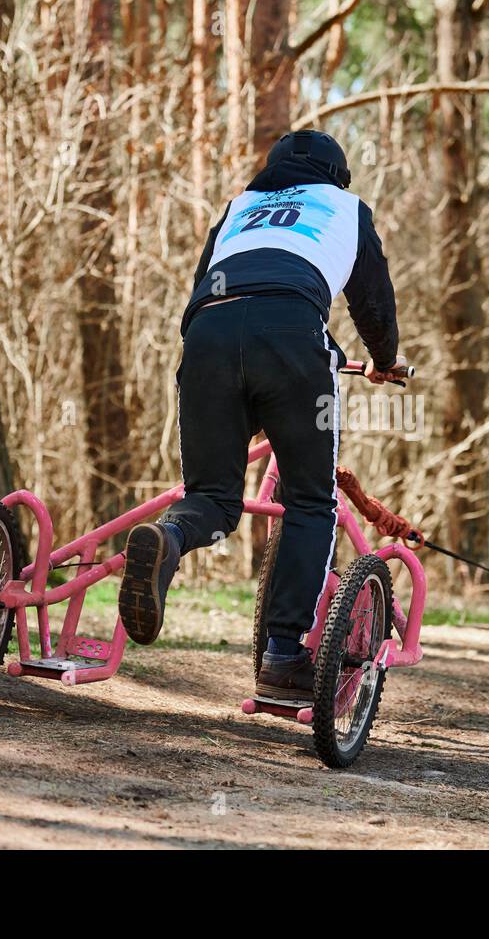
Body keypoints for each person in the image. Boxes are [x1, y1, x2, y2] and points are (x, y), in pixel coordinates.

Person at [117, 129, 404, 704]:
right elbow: (371, 299)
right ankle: (282, 653)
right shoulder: (346, 208)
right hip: (294, 335)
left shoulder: (240, 208)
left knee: (212, 499)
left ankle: (170, 540)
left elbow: (205, 289)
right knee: (309, 500)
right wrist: (383, 359)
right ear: (337, 176)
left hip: (208, 336)